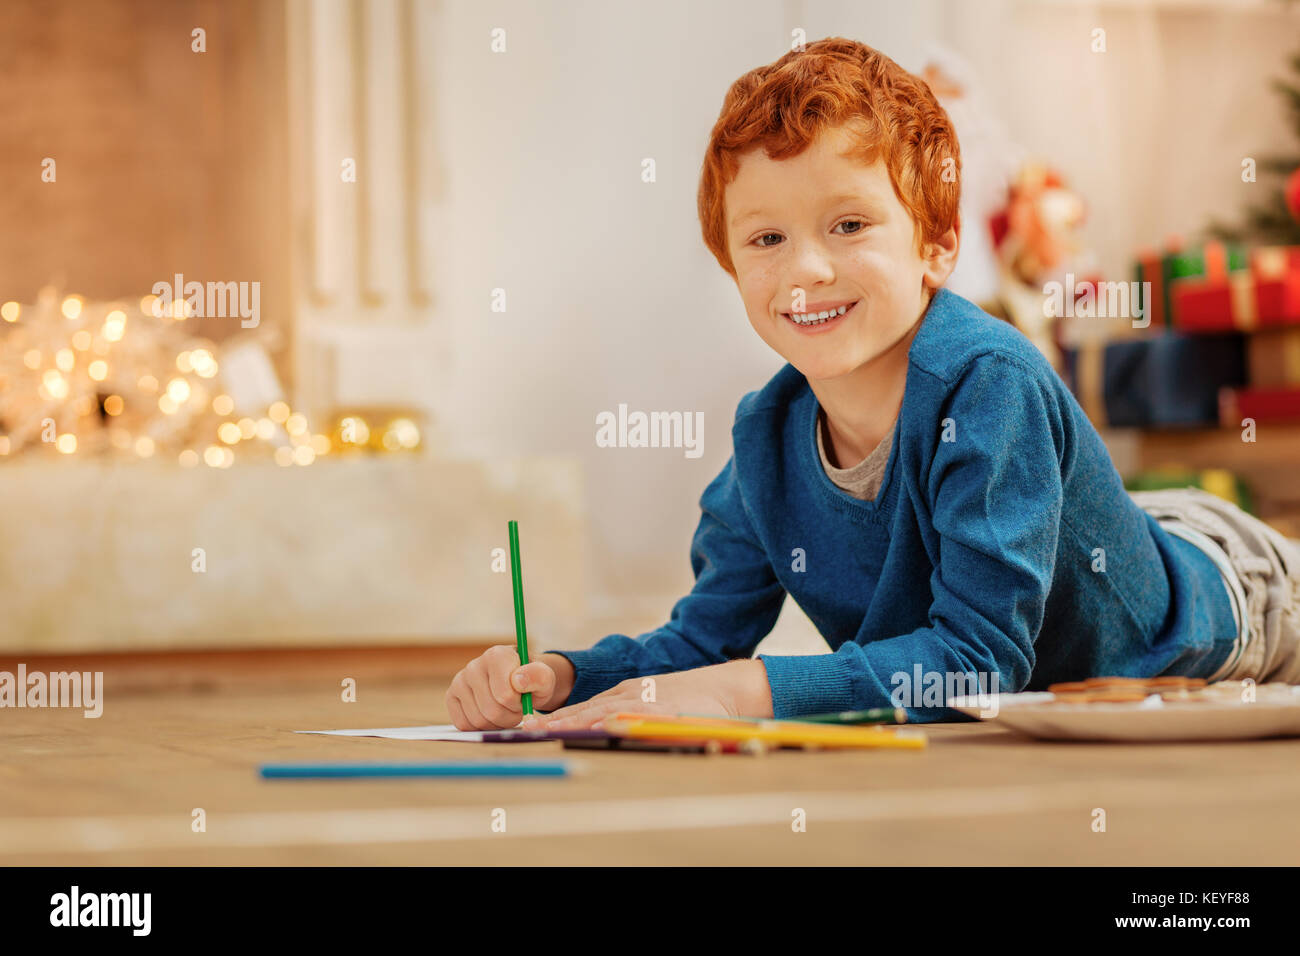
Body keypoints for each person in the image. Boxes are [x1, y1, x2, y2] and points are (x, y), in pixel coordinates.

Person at [445, 37, 1300, 731]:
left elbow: (977, 663)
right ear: (731, 265)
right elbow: (700, 644)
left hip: (1225, 590)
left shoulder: (986, 382)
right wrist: (558, 674)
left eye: (849, 224)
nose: (806, 270)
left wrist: (751, 690)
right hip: (1081, 550)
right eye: (766, 239)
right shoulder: (765, 437)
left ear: (936, 247)